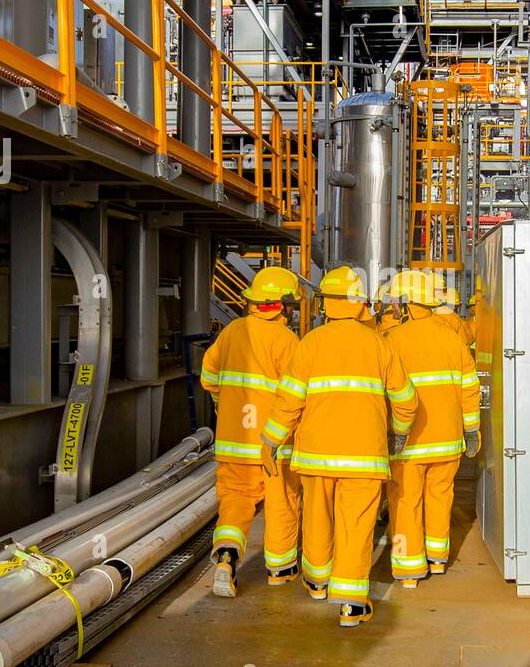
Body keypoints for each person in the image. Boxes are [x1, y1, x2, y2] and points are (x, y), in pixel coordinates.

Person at [260, 265, 418, 627]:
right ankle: (350, 604)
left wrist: (270, 440)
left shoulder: (310, 344)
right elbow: (406, 399)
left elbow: (288, 401)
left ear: (325, 304)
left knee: (317, 518)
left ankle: (317, 583)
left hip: (316, 455)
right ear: (360, 303)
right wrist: (400, 431)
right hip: (363, 458)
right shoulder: (379, 344)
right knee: (356, 525)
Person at [200, 266, 303, 598]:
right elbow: (297, 393)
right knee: (281, 504)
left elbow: (209, 376)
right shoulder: (286, 340)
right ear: (281, 305)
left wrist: (222, 404)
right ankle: (280, 570)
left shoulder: (231, 332)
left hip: (233, 441)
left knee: (234, 504)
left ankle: (226, 560)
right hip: (273, 444)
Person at [383, 270, 480, 584]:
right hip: (448, 441)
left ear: (410, 306)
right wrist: (471, 430)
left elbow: (386, 392)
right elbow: (469, 388)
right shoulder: (452, 339)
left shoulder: (393, 340)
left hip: (408, 442)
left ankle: (409, 570)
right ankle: (437, 560)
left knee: (407, 500)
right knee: (440, 497)